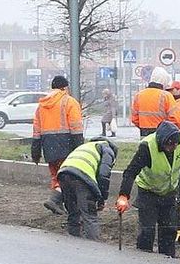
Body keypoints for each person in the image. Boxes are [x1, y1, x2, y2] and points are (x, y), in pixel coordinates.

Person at [116, 119, 180, 257]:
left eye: (176, 144)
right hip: (148, 192)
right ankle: (143, 257)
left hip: (169, 192)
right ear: (162, 141)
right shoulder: (147, 147)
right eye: (170, 145)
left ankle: (167, 259)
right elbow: (130, 172)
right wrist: (124, 196)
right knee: (147, 230)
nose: (174, 148)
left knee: (169, 230)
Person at [30, 74, 85, 213]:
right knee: (69, 177)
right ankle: (56, 201)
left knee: (56, 176)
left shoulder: (42, 105)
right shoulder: (69, 102)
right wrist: (80, 150)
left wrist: (35, 153)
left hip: (48, 146)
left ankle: (58, 204)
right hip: (66, 145)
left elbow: (36, 131)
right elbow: (76, 128)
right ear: (65, 88)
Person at [55, 136, 118, 240]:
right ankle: (93, 244)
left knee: (73, 213)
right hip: (82, 178)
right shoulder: (107, 150)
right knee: (89, 215)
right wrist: (102, 199)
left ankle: (73, 241)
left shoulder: (85, 146)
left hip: (63, 174)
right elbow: (103, 175)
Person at [129, 67, 173, 135]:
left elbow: (134, 118)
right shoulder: (166, 96)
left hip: (144, 132)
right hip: (162, 133)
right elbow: (174, 118)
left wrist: (143, 127)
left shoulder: (139, 95)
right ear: (164, 81)